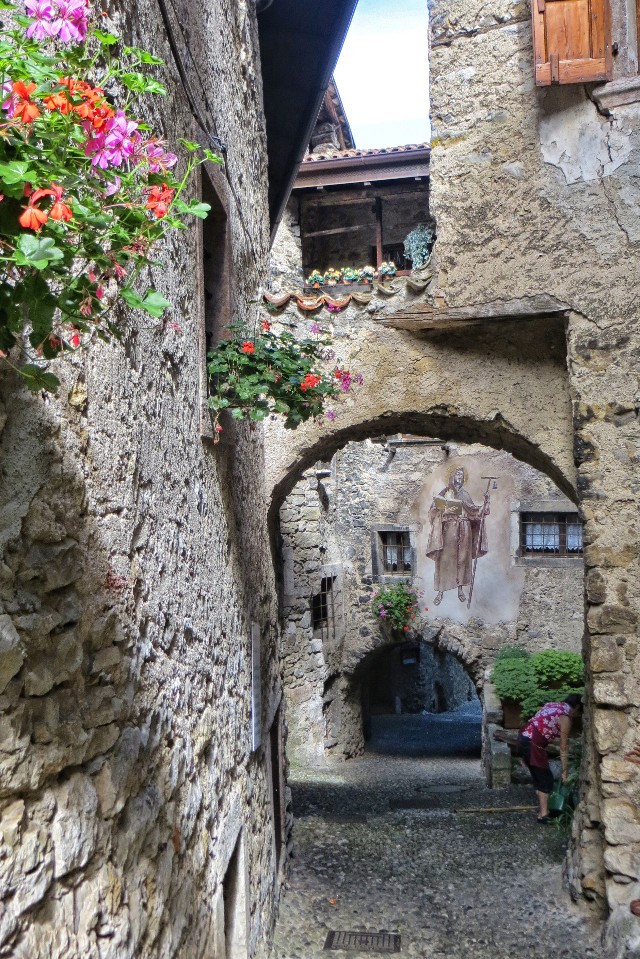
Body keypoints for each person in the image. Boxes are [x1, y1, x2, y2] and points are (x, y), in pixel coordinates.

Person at [425, 465, 489, 605]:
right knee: (445, 560)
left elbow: (474, 512)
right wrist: (444, 511)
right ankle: (440, 592)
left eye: (461, 475)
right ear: (452, 476)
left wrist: (485, 503)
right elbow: (433, 511)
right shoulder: (445, 492)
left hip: (464, 529)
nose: (459, 477)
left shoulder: (465, 495)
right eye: (457, 475)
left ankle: (460, 590)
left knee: (462, 559)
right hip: (449, 529)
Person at [518, 694, 583, 823]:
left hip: (523, 739)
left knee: (538, 777)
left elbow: (537, 722)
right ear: (576, 707)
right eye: (580, 711)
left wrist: (522, 754)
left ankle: (544, 808)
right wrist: (565, 771)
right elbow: (563, 746)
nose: (579, 715)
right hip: (533, 744)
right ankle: (543, 815)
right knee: (546, 779)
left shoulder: (552, 705)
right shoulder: (565, 717)